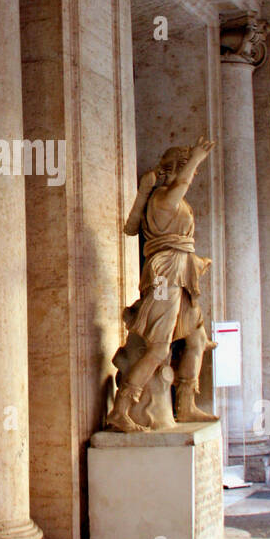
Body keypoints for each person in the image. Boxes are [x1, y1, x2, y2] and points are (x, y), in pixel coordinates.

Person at [107, 135, 217, 432]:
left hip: (182, 274)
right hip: (165, 275)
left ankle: (186, 404)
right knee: (158, 348)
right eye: (188, 170)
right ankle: (121, 409)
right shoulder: (163, 199)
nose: (192, 176)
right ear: (176, 170)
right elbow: (181, 185)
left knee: (197, 340)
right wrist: (196, 156)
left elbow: (134, 225)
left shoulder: (173, 200)